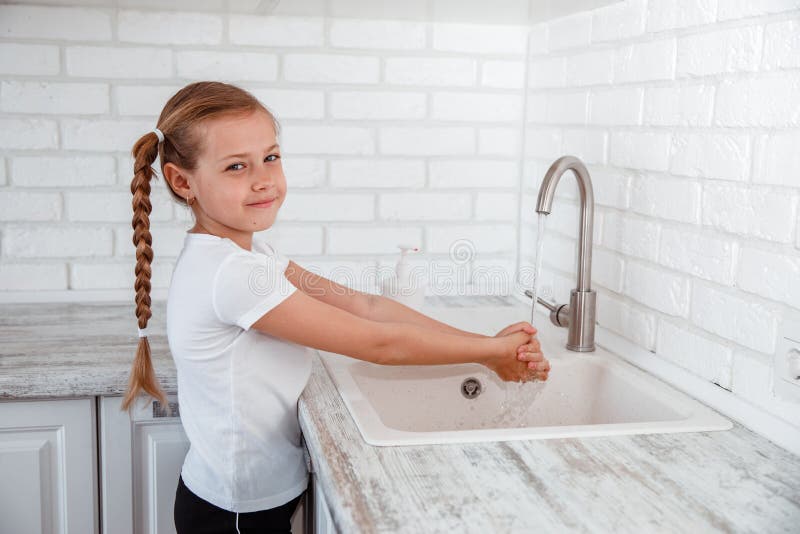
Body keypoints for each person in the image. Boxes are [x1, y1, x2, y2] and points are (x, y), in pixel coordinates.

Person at [121, 81, 550, 534]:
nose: (263, 178)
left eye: (270, 157)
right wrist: (488, 353)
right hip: (236, 514)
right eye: (235, 167)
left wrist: (485, 343)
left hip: (242, 501)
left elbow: (365, 307)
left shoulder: (253, 257)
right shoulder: (234, 275)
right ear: (182, 181)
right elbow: (378, 343)